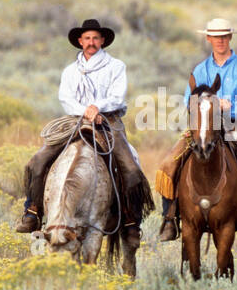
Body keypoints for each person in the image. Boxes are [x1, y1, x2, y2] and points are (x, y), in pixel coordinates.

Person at [15, 18, 151, 242]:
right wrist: (86, 111)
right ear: (80, 41)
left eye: (95, 38)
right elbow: (65, 98)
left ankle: (130, 221)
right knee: (37, 161)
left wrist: (98, 108)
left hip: (108, 121)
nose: (91, 42)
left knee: (130, 168)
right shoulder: (70, 71)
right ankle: (33, 212)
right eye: (87, 38)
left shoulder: (116, 66)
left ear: (103, 40)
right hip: (75, 121)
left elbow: (117, 97)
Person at [155, 17, 237, 241]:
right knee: (167, 163)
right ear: (208, 38)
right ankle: (169, 218)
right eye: (215, 37)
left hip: (235, 124)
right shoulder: (200, 69)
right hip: (203, 126)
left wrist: (229, 106)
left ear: (230, 38)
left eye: (224, 36)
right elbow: (188, 101)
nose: (220, 41)